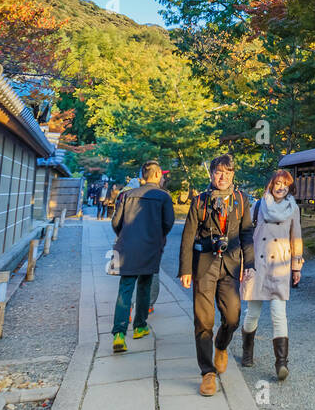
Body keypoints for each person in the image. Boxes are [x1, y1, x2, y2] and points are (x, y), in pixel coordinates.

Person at [179, 154, 253, 397]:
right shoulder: (200, 201)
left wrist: (249, 264)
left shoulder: (241, 200)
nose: (223, 176)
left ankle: (221, 345)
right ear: (211, 174)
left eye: (228, 172)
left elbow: (246, 234)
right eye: (219, 172)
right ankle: (207, 372)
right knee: (203, 321)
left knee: (232, 316)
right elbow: (188, 236)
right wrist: (186, 270)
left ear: (233, 174)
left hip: (230, 267)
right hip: (203, 265)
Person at [240, 169, 303, 380]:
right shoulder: (258, 206)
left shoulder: (293, 208)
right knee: (253, 314)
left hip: (281, 267)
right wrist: (244, 263)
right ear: (271, 185)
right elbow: (246, 235)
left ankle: (281, 363)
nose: (281, 187)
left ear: (289, 187)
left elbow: (297, 239)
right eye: (278, 183)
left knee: (279, 313)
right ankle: (247, 350)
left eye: (285, 184)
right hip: (257, 266)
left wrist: (296, 267)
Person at [109, 161, 175, 353]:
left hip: (127, 247)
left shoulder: (127, 195)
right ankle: (139, 326)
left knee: (125, 289)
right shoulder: (163, 196)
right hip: (150, 247)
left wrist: (124, 235)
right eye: (161, 175)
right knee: (145, 286)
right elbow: (168, 223)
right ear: (156, 176)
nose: (162, 178)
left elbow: (116, 222)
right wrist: (157, 236)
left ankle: (119, 334)